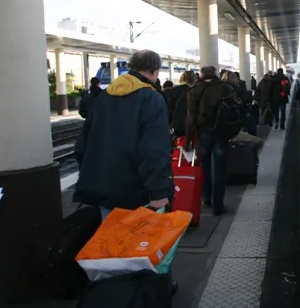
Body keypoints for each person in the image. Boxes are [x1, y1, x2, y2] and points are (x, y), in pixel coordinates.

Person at [74, 49, 174, 214]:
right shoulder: (152, 99)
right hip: (136, 191)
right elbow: (154, 150)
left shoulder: (103, 97)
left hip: (103, 189)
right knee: (140, 237)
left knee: (110, 237)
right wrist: (159, 191)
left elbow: (82, 145)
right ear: (155, 71)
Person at [185, 66, 242, 216]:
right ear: (215, 74)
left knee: (204, 167)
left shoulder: (193, 91)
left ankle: (206, 198)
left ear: (202, 75)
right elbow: (237, 109)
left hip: (203, 133)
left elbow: (191, 119)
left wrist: (188, 140)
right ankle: (218, 205)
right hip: (222, 133)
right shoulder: (227, 89)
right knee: (220, 169)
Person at [165, 70, 196, 138]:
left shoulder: (174, 90)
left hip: (178, 123)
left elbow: (170, 108)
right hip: (194, 124)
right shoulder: (197, 90)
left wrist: (168, 122)